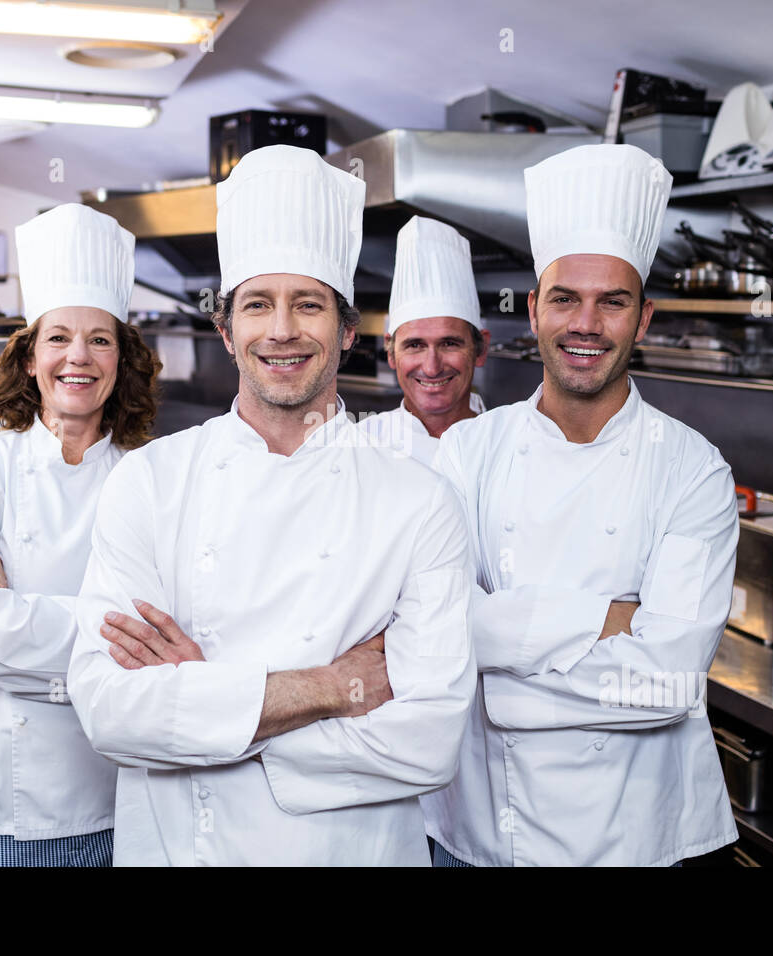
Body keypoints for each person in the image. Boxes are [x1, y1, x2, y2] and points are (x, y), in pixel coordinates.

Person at [68, 144, 475, 866]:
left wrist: (202, 706)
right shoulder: (151, 481)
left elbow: (431, 742)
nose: (282, 329)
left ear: (349, 333)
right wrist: (328, 688)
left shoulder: (420, 501)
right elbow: (108, 710)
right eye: (258, 304)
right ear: (226, 330)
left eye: (308, 304)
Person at [422, 143, 740, 867]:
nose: (586, 323)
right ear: (534, 310)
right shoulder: (469, 453)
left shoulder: (692, 469)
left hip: (642, 837)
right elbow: (433, 627)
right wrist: (607, 618)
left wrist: (497, 679)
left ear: (645, 318)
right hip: (481, 835)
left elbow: (664, 680)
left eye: (613, 301)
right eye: (565, 298)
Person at [0, 203, 161, 867]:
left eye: (100, 339)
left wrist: (27, 615)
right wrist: (110, 637)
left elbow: (173, 631)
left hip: (125, 783)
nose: (77, 357)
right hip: (6, 797)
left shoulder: (150, 477)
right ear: (30, 359)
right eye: (57, 338)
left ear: (121, 360)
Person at [356, 216, 488, 465]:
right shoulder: (361, 448)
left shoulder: (509, 444)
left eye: (449, 343)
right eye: (414, 345)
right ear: (391, 353)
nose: (431, 367)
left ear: (481, 349)